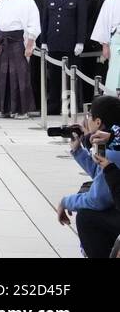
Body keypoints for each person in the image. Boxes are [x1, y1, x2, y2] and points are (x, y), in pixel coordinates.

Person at [55, 95, 120, 258]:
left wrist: (65, 201)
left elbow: (97, 199)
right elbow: (103, 175)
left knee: (86, 215)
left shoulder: (112, 153)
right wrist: (78, 151)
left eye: (89, 116)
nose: (86, 120)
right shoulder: (112, 146)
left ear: (98, 122)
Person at [41, 0, 90, 116]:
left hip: (71, 42)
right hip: (53, 41)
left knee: (72, 76)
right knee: (54, 76)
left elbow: (82, 20)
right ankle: (54, 105)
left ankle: (72, 105)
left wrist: (80, 41)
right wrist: (44, 40)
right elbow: (46, 19)